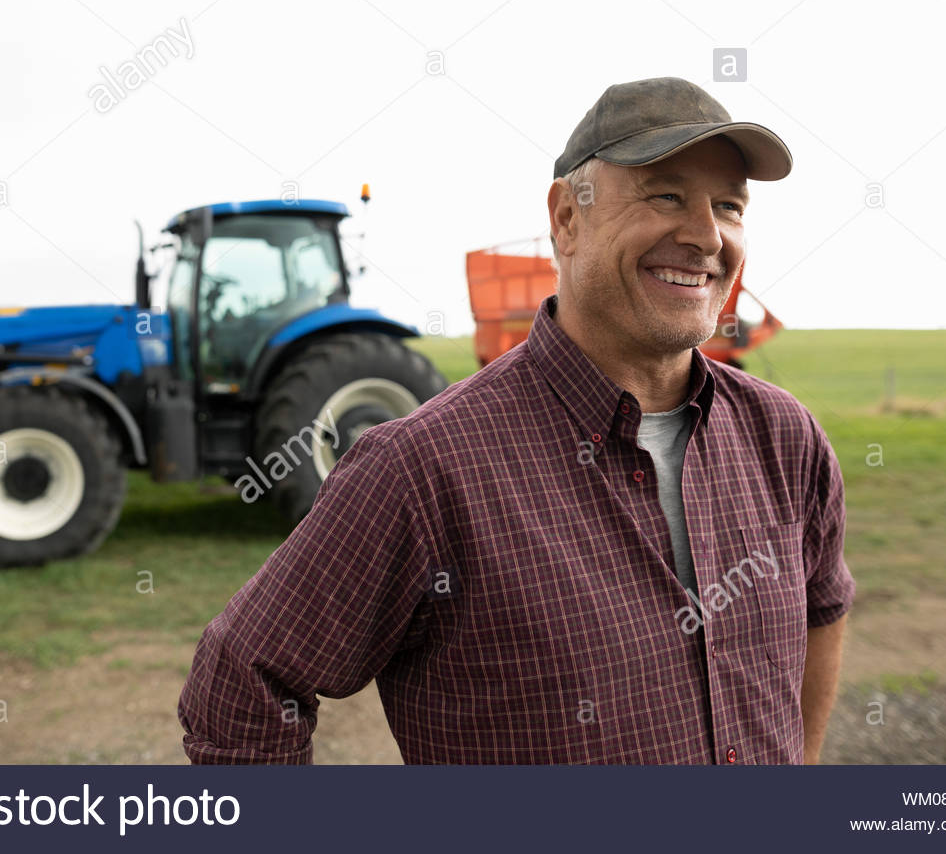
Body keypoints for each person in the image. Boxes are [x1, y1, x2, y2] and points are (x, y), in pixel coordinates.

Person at [178, 76, 854, 764]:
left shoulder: (786, 438)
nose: (707, 236)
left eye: (729, 206)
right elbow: (243, 684)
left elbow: (823, 608)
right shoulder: (423, 469)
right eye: (667, 195)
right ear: (566, 217)